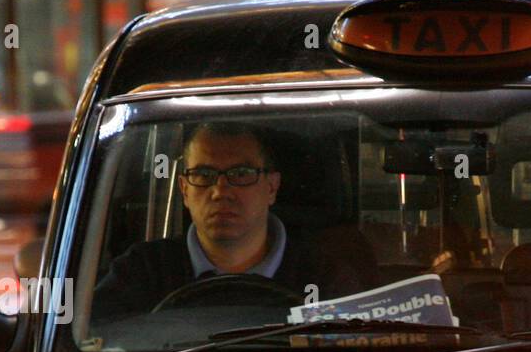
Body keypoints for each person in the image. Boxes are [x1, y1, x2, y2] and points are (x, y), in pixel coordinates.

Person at [91, 122, 363, 318]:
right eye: (204, 174)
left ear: (271, 187)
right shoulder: (140, 274)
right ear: (185, 190)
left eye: (241, 173)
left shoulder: (326, 278)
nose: (221, 191)